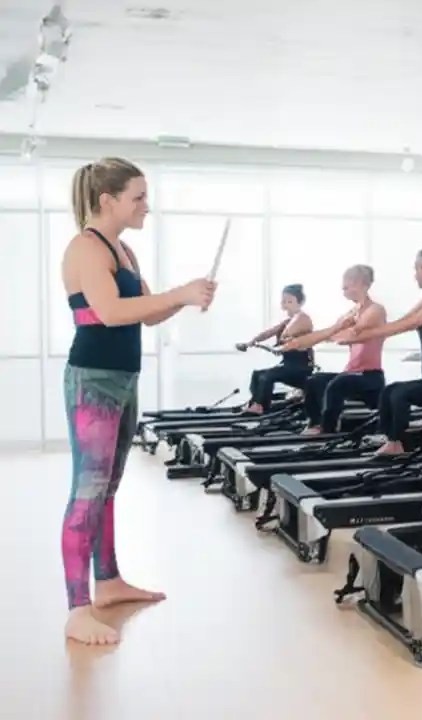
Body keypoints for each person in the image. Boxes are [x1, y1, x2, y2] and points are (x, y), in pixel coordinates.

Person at [60, 157, 217, 645]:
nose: (146, 206)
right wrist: (179, 293)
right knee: (87, 490)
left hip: (123, 378)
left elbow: (144, 316)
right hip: (93, 380)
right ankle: (76, 609)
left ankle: (107, 582)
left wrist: (186, 298)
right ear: (108, 200)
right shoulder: (86, 248)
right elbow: (108, 312)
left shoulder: (124, 249)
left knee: (108, 487)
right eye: (138, 197)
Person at [339, 247, 422, 456]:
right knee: (390, 391)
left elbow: (405, 325)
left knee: (400, 394)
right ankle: (388, 437)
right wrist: (358, 329)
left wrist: (362, 335)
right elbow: (400, 322)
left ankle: (396, 443)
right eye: (416, 268)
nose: (416, 273)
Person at [279, 265, 387, 435]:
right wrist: (297, 343)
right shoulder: (350, 313)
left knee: (338, 384)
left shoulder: (375, 310)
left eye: (347, 286)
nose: (343, 291)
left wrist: (335, 332)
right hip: (351, 374)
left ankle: (327, 429)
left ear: (361, 284)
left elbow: (349, 334)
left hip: (370, 377)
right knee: (314, 381)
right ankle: (315, 424)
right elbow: (329, 332)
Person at [237, 284, 314, 414]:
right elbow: (269, 333)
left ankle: (260, 406)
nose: (285, 304)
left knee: (268, 376)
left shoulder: (303, 318)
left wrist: (277, 346)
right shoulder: (287, 321)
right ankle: (256, 403)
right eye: (284, 300)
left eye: (290, 301)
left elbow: (287, 334)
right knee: (257, 375)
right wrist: (251, 342)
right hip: (288, 364)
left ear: (300, 303)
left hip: (301, 367)